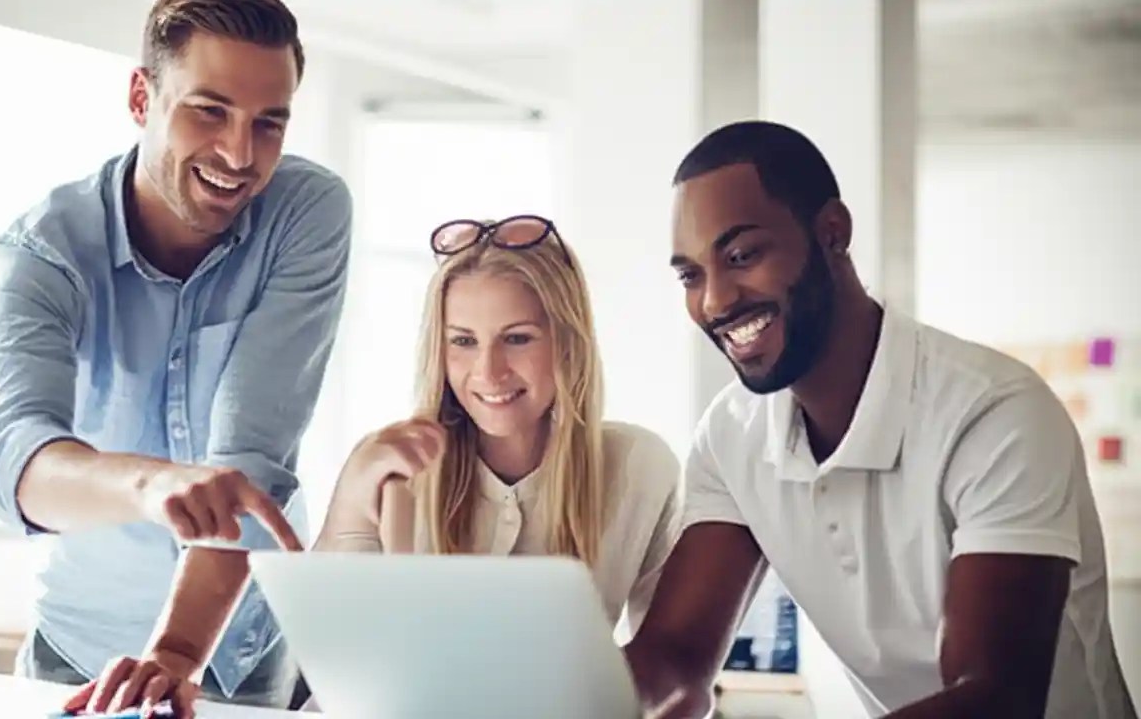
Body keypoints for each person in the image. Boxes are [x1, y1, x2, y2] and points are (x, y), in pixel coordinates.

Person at [627, 121, 1136, 718]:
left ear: (832, 233)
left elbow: (994, 699)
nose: (714, 301)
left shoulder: (996, 414)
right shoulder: (730, 435)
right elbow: (676, 666)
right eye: (690, 275)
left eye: (742, 256)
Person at [83, 215, 683, 718]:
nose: (490, 373)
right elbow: (333, 656)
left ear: (569, 340)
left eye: (519, 338)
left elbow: (671, 676)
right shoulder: (392, 465)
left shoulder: (640, 468)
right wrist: (352, 501)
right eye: (464, 341)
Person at [0, 0, 351, 712]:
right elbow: (14, 462)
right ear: (141, 96)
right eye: (209, 111)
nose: (240, 155)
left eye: (268, 122)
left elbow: (251, 462)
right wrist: (149, 486)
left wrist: (178, 653)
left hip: (248, 647)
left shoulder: (307, 213)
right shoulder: (43, 253)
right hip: (82, 655)